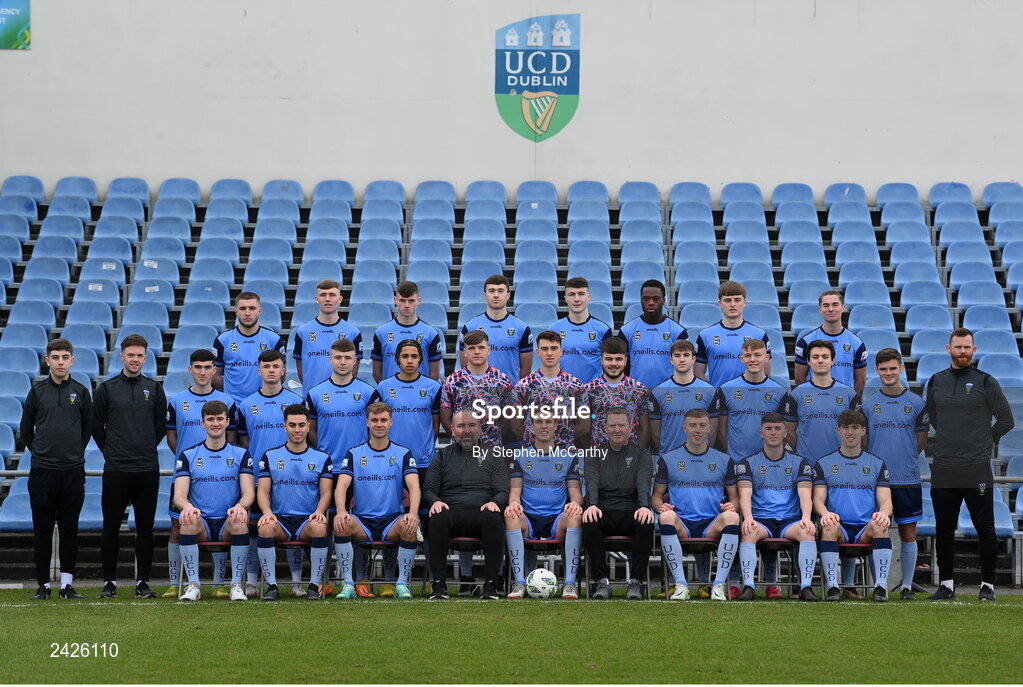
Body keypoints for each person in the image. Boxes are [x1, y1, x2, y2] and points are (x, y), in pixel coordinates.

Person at [924, 328, 1014, 602]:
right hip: (944, 467)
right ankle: (947, 585)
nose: (962, 352)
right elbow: (934, 418)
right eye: (958, 347)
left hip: (976, 468)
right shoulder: (936, 381)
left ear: (974, 350)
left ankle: (988, 586)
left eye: (967, 347)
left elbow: (1006, 420)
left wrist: (983, 443)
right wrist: (953, 440)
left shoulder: (987, 381)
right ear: (948, 348)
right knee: (944, 527)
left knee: (985, 527)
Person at [93, 334, 167, 599]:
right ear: (121, 356)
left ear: (145, 358)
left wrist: (143, 447)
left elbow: (159, 428)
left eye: (140, 355)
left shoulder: (155, 389)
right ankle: (109, 583)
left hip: (147, 469)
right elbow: (96, 427)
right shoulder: (107, 388)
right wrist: (113, 452)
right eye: (131, 355)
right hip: (116, 470)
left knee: (145, 528)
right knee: (110, 527)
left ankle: (142, 583)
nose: (135, 359)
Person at [162, 349, 238, 599]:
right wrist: (189, 460)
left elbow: (233, 438)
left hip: (219, 475)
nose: (203, 372)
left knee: (219, 523)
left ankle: (218, 584)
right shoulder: (177, 401)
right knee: (179, 527)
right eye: (198, 367)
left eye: (208, 367)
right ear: (190, 370)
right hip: (186, 474)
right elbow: (172, 437)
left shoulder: (227, 402)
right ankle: (176, 582)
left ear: (214, 370)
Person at [21, 338, 93, 600]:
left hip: (73, 471)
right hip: (42, 471)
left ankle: (66, 585)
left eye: (65, 357)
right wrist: (42, 453)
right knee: (41, 529)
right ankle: (43, 585)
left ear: (72, 360)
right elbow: (26, 430)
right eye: (56, 357)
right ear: (47, 360)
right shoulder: (37, 392)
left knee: (69, 528)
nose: (60, 362)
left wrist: (72, 452)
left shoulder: (82, 392)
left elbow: (87, 430)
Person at [332, 403, 421, 600]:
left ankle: (401, 584)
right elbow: (341, 486)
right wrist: (340, 510)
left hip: (392, 520)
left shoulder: (402, 453)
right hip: (363, 521)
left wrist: (413, 513)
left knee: (410, 526)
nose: (379, 424)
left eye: (383, 420)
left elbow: (414, 486)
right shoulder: (354, 453)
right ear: (367, 422)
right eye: (374, 420)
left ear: (391, 423)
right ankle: (348, 585)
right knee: (341, 524)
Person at [236, 349, 304, 596]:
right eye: (267, 367)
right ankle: (253, 582)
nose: (272, 371)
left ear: (283, 369)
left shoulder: (296, 401)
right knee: (256, 529)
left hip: (291, 476)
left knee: (292, 522)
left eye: (276, 366)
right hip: (258, 477)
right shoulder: (246, 405)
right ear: (259, 370)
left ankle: (296, 583)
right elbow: (244, 441)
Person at [651, 409, 739, 601]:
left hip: (710, 524)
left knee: (733, 517)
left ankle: (718, 585)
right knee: (665, 517)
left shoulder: (724, 460)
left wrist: (732, 506)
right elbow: (656, 496)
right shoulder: (669, 459)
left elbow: (735, 498)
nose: (697, 430)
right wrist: (660, 507)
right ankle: (681, 585)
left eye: (701, 425)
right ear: (685, 428)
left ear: (709, 428)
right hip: (682, 522)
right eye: (692, 425)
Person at [731, 413, 819, 601]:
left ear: (785, 432)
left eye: (777, 428)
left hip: (790, 520)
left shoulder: (799, 462)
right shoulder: (748, 462)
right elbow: (744, 494)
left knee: (808, 531)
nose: (773, 433)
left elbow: (805, 494)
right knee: (748, 531)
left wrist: (805, 517)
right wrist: (748, 518)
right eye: (769, 429)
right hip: (761, 520)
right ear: (761, 432)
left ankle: (806, 587)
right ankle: (749, 586)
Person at [863, 348, 928, 599]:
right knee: (875, 530)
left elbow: (920, 442)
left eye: (893, 368)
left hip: (907, 478)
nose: (888, 373)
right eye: (883, 369)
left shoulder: (917, 403)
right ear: (877, 371)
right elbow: (866, 442)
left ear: (901, 368)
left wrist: (905, 458)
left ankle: (907, 587)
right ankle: (880, 584)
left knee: (908, 533)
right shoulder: (869, 406)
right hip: (877, 482)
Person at [424, 408, 509, 601]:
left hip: (482, 512)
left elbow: (503, 490)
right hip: (450, 512)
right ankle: (438, 585)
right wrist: (435, 501)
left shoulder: (493, 455)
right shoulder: (442, 456)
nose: (467, 430)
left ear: (480, 429)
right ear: (452, 430)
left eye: (471, 425)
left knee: (494, 518)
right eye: (461, 426)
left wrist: (495, 502)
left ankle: (491, 586)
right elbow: (429, 489)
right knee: (436, 517)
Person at [173, 401, 254, 602]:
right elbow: (179, 496)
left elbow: (249, 493)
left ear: (227, 422)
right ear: (203, 423)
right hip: (203, 522)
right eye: (210, 419)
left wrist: (240, 506)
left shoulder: (240, 454)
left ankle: (235, 584)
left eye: (219, 419)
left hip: (227, 521)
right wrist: (188, 506)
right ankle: (194, 585)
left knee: (239, 519)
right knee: (188, 519)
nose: (215, 423)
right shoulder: (188, 455)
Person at [812, 409, 894, 602]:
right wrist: (825, 513)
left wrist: (883, 513)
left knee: (882, 525)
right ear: (838, 430)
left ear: (863, 431)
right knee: (828, 525)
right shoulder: (824, 463)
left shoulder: (876, 463)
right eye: (846, 427)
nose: (850, 432)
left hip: (865, 527)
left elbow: (886, 501)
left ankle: (880, 587)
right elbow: (817, 500)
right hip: (839, 526)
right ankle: (833, 586)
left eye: (855, 427)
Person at [255, 405, 334, 601]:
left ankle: (314, 586)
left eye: (301, 425)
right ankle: (272, 586)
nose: (297, 429)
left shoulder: (321, 458)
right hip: (279, 520)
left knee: (319, 526)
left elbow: (326, 492)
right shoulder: (270, 456)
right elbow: (263, 490)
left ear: (308, 426)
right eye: (292, 425)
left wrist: (320, 511)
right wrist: (266, 511)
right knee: (265, 528)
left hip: (306, 520)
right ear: (284, 427)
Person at [504, 411, 584, 600]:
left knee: (575, 514)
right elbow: (514, 494)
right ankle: (519, 583)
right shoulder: (521, 455)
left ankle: (570, 585)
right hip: (529, 519)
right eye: (538, 422)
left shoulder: (567, 456)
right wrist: (513, 505)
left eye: (548, 421)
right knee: (511, 515)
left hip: (557, 520)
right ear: (531, 426)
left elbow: (577, 496)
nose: (544, 426)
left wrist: (575, 504)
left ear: (556, 425)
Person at [583, 408, 655, 600]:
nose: (617, 429)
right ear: (604, 428)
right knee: (590, 520)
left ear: (631, 427)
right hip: (603, 510)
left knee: (646, 521)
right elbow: (592, 483)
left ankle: (636, 582)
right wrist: (591, 505)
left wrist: (644, 506)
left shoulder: (642, 455)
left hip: (632, 510)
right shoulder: (594, 454)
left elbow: (644, 483)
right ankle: (601, 582)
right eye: (612, 425)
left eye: (621, 425)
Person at [782, 340, 860, 460]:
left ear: (832, 361)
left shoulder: (849, 394)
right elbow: (788, 430)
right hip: (808, 464)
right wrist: (803, 451)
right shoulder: (797, 394)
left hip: (841, 463)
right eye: (815, 357)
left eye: (825, 356)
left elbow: (857, 432)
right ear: (808, 361)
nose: (820, 360)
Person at [509, 330, 587, 448]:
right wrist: (537, 442)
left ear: (561, 351)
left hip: (565, 451)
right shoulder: (523, 386)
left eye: (554, 348)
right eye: (544, 349)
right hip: (532, 452)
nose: (549, 353)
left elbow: (584, 425)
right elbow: (516, 426)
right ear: (538, 352)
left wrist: (562, 440)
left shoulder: (576, 385)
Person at [440, 329, 514, 449]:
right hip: (462, 449)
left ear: (489, 350)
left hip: (492, 449)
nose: (477, 352)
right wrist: (459, 438)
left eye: (481, 347)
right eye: (471, 348)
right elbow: (445, 417)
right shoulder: (452, 381)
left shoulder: (503, 380)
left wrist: (495, 437)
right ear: (465, 352)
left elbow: (509, 416)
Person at [716, 339, 789, 462]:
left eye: (757, 355)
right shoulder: (726, 389)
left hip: (766, 462)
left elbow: (783, 432)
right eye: (748, 355)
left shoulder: (779, 392)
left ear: (766, 358)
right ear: (741, 358)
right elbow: (721, 430)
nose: (752, 359)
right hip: (735, 462)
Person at [695, 281, 772, 387]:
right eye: (727, 300)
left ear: (744, 302)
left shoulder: (759, 335)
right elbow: (698, 375)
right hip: (719, 400)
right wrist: (714, 394)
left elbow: (766, 375)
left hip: (750, 398)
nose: (732, 304)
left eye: (737, 299)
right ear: (720, 303)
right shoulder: (705, 336)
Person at [650, 339, 721, 454]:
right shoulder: (658, 392)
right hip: (669, 458)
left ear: (693, 359)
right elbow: (655, 433)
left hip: (701, 458)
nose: (682, 359)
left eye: (686, 355)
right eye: (677, 356)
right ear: (671, 360)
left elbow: (712, 431)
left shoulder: (709, 391)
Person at [213, 291, 286, 403]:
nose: (247, 313)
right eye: (243, 308)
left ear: (259, 311)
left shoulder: (273, 339)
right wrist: (230, 390)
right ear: (236, 311)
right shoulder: (223, 340)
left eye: (252, 308)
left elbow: (281, 374)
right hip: (234, 405)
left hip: (263, 404)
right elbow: (214, 375)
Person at [457, 274, 533, 380]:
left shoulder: (522, 328)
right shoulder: (470, 327)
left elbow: (525, 372)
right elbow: (465, 367)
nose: (496, 295)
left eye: (500, 291)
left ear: (508, 295)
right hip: (479, 392)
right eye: (491, 291)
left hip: (509, 392)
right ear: (485, 295)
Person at [581, 337, 652, 449]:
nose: (613, 364)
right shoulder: (588, 390)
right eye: (609, 359)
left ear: (625, 361)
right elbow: (584, 428)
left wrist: (637, 454)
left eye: (618, 359)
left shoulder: (639, 390)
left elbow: (645, 428)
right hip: (600, 457)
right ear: (601, 360)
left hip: (630, 458)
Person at [616, 279, 688, 389]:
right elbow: (621, 366)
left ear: (663, 300)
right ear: (640, 300)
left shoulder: (677, 332)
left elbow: (684, 367)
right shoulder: (627, 331)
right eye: (646, 299)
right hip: (635, 393)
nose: (651, 302)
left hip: (668, 393)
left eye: (656, 299)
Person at [291, 279, 362, 388]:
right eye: (323, 295)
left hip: (341, 395)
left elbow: (354, 372)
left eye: (332, 295)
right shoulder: (303, 332)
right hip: (311, 397)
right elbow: (302, 373)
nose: (327, 299)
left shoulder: (353, 332)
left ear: (340, 299)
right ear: (317, 299)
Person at [793, 289, 867, 392]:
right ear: (820, 309)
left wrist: (850, 400)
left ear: (843, 308)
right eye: (826, 305)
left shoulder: (856, 343)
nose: (831, 309)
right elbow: (799, 379)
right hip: (815, 402)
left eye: (835, 305)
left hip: (844, 403)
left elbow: (861, 381)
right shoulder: (805, 341)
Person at [371, 280, 443, 382]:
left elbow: (434, 373)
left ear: (419, 301)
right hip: (391, 394)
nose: (407, 305)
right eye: (402, 300)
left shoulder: (431, 333)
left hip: (420, 395)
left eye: (411, 301)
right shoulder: (381, 333)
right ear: (395, 300)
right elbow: (376, 372)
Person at [549, 276, 612, 384]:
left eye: (581, 294)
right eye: (572, 294)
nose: (577, 299)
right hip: (563, 391)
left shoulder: (603, 329)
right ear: (565, 298)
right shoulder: (554, 329)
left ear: (588, 297)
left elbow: (611, 365)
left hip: (593, 392)